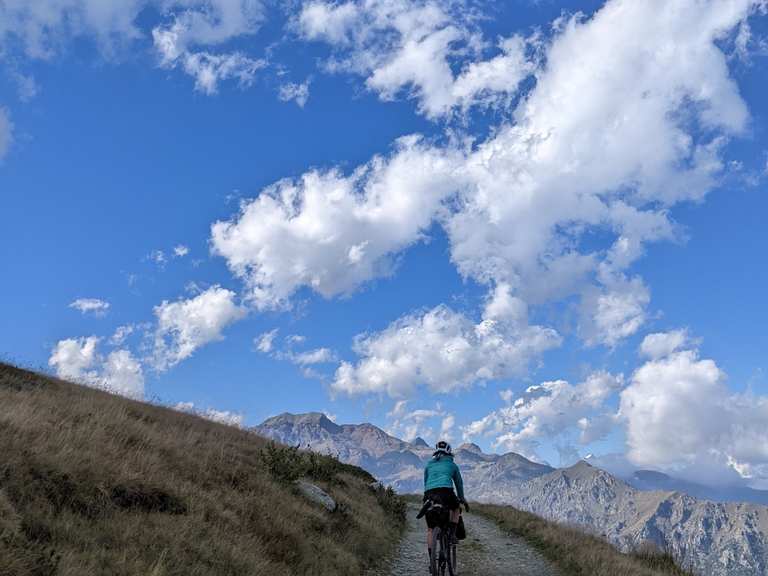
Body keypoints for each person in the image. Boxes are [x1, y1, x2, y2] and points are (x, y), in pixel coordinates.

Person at [423, 440, 468, 555]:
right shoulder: (452, 465)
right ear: (449, 452)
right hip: (446, 492)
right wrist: (462, 499)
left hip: (429, 494)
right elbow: (459, 484)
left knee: (430, 529)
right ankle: (452, 535)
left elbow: (426, 482)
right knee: (456, 508)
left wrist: (427, 496)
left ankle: (431, 558)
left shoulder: (429, 464)